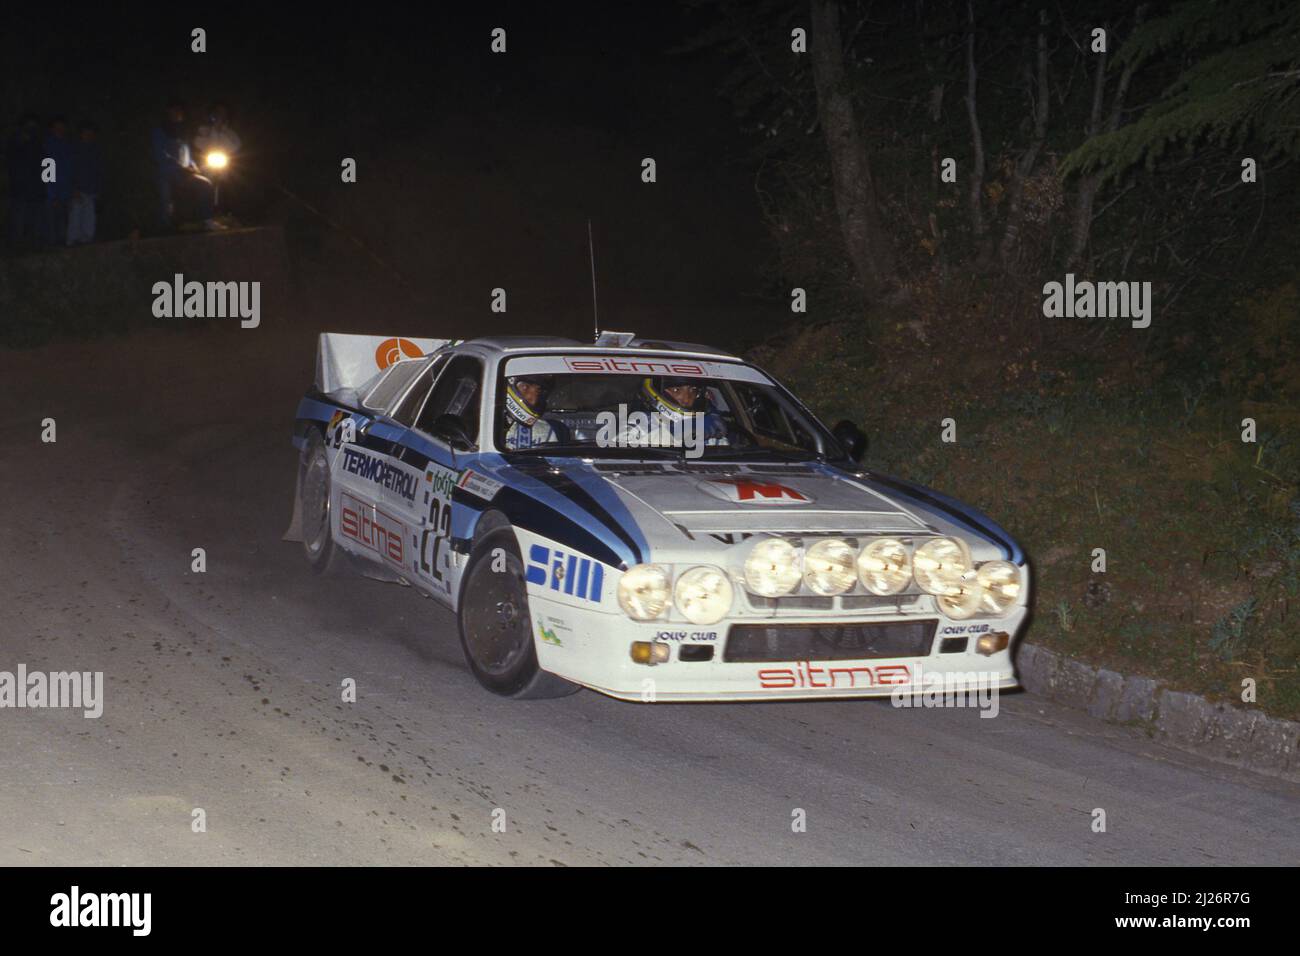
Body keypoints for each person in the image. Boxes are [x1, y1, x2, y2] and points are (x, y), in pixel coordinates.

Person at [150, 101, 220, 231]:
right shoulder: (159, 132)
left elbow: (188, 155)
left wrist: (193, 166)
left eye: (179, 112)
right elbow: (160, 155)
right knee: (165, 199)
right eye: (174, 112)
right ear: (167, 114)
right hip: (166, 173)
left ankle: (206, 220)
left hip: (184, 174)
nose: (177, 115)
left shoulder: (182, 133)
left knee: (205, 185)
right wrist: (181, 167)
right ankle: (163, 228)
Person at [624, 376, 730, 450]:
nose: (687, 399)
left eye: (693, 390)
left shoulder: (709, 429)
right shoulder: (640, 424)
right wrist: (679, 431)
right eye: (676, 390)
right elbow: (623, 456)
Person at [4, 114, 44, 248]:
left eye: (34, 125)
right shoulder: (14, 142)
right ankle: (15, 246)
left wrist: (49, 183)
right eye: (28, 125)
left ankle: (34, 245)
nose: (31, 129)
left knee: (35, 219)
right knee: (18, 218)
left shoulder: (39, 143)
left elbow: (48, 162)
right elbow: (11, 166)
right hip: (20, 189)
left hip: (36, 189)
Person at [194, 103, 241, 214]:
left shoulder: (230, 133)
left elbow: (235, 147)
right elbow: (198, 143)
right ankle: (205, 216)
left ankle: (225, 213)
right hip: (207, 167)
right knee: (205, 189)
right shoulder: (203, 130)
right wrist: (214, 131)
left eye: (223, 113)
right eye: (218, 113)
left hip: (224, 168)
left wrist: (222, 132)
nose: (220, 116)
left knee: (225, 190)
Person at [66, 122, 102, 245]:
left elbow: (98, 170)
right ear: (81, 134)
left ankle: (87, 239)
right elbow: (69, 169)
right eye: (86, 133)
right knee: (76, 215)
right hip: (78, 188)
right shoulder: (74, 149)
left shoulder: (95, 150)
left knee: (89, 217)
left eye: (90, 133)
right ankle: (72, 240)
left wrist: (98, 189)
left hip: (91, 189)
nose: (88, 135)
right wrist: (73, 187)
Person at [40, 117, 74, 245]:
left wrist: (70, 190)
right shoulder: (49, 144)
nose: (60, 130)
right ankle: (50, 245)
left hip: (65, 190)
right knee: (51, 221)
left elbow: (70, 170)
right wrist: (51, 194)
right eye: (57, 127)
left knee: (63, 220)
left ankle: (60, 244)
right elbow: (47, 169)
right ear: (52, 129)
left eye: (62, 127)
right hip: (53, 191)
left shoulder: (68, 145)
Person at [502, 375, 557, 450]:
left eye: (538, 391)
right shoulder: (484, 422)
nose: (533, 399)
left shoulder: (544, 431)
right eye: (525, 387)